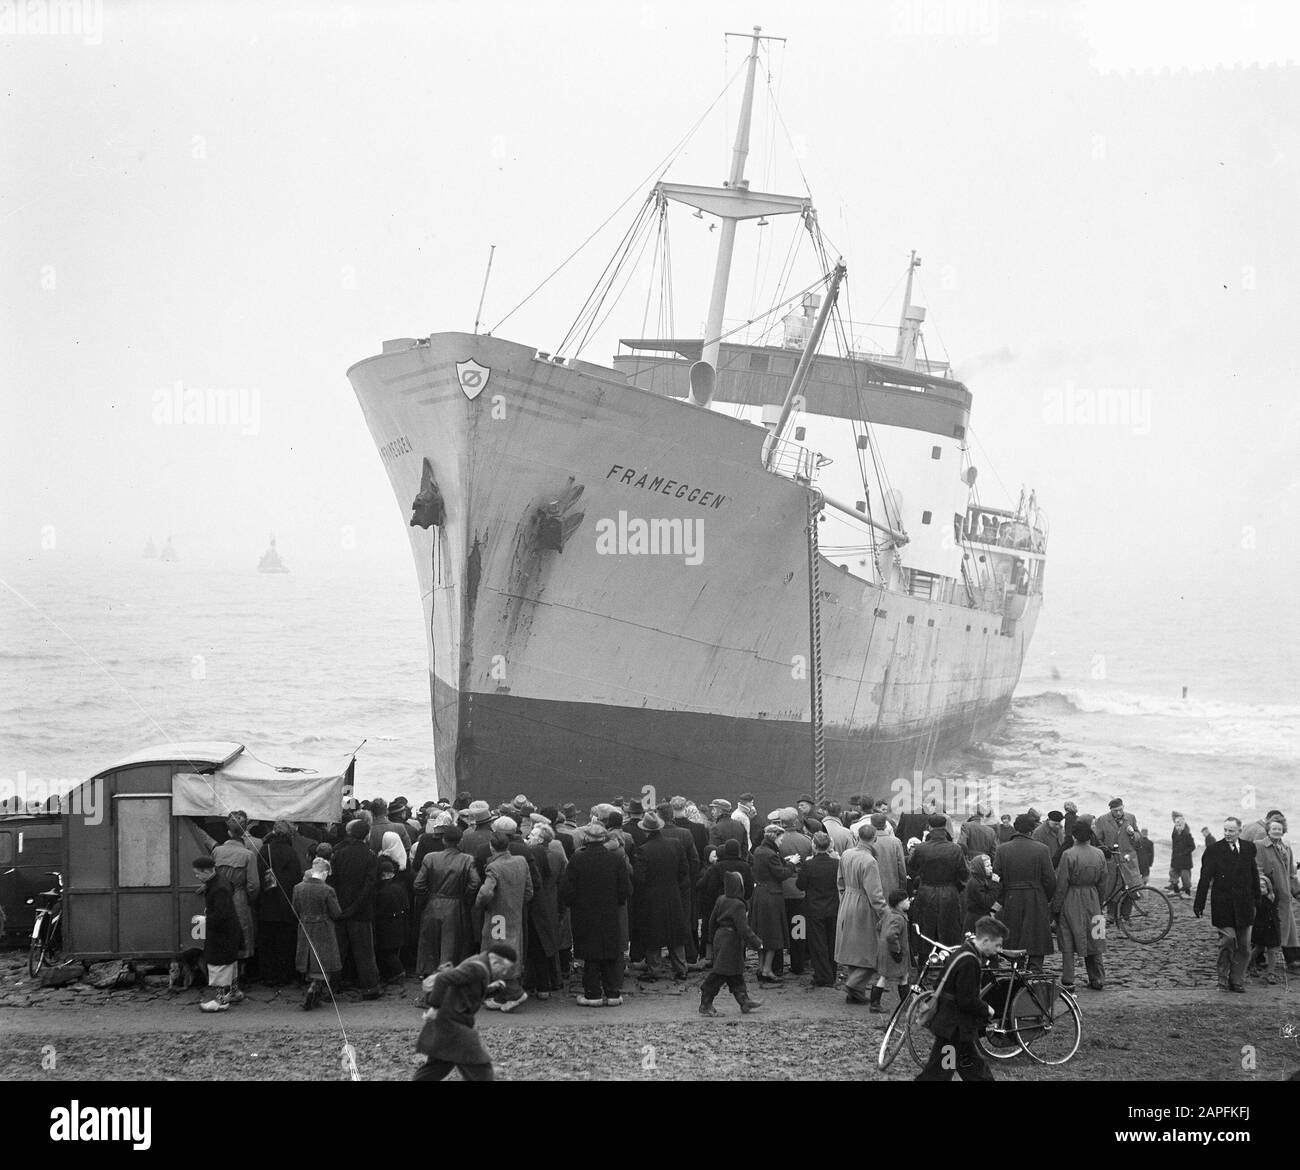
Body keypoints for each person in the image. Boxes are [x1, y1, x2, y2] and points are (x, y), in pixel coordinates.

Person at [914, 916, 1009, 1081]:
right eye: (997, 945)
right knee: (940, 1073)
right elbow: (967, 1001)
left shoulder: (963, 952)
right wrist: (986, 1009)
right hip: (955, 1029)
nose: (999, 950)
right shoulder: (969, 962)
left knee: (964, 1069)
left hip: (954, 1027)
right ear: (986, 940)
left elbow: (940, 984)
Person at [413, 943, 517, 1081]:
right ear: (495, 961)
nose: (504, 974)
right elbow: (443, 978)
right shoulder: (477, 968)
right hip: (454, 1025)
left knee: (437, 1067)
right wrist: (434, 1007)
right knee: (480, 1069)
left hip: (448, 1024)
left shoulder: (478, 962)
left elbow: (467, 991)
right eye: (504, 969)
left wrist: (491, 989)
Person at [560, 821, 630, 1006]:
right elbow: (625, 888)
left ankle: (593, 994)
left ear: (586, 839)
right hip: (609, 911)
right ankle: (613, 993)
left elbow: (567, 889)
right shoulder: (615, 859)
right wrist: (617, 902)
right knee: (610, 951)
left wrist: (571, 904)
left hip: (584, 912)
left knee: (590, 953)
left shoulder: (577, 859)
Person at [1193, 817, 1259, 992]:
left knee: (1245, 946)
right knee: (1228, 940)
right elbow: (1205, 878)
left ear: (1240, 830)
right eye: (1225, 830)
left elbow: (1253, 875)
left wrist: (1257, 897)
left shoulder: (1248, 848)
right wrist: (1199, 903)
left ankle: (1236, 980)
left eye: (1231, 830)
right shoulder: (1214, 850)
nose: (1228, 834)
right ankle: (1222, 979)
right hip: (1223, 904)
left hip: (1245, 904)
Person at [475, 831, 534, 1011]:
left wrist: (480, 905)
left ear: (492, 848)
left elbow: (485, 893)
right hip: (515, 915)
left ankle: (515, 992)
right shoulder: (521, 861)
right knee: (511, 951)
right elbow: (529, 891)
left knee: (498, 953)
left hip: (497, 918)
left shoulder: (494, 867)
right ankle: (503, 996)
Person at [993, 813, 1056, 971]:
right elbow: (1050, 880)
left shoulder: (1002, 850)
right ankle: (1034, 974)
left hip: (1011, 898)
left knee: (1014, 938)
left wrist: (1002, 899)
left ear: (1015, 827)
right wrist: (1043, 897)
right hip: (1035, 897)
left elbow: (997, 879)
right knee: (1037, 938)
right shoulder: (1042, 849)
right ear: (1032, 829)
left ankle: (1017, 970)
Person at [632, 811, 691, 981]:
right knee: (675, 934)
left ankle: (654, 970)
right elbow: (684, 871)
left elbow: (639, 879)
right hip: (673, 895)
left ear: (646, 831)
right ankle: (681, 968)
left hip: (652, 898)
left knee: (653, 934)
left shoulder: (643, 850)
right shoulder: (676, 844)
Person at [414, 825, 480, 975]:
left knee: (430, 944)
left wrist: (426, 898)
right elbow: (475, 882)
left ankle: (429, 974)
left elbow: (418, 884)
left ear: (443, 840)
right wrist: (466, 898)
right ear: (460, 841)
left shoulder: (430, 858)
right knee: (453, 944)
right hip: (457, 905)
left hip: (433, 903)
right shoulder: (467, 859)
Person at [835, 822, 888, 1004]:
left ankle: (855, 993)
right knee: (871, 951)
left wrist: (844, 899)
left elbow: (840, 882)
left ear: (858, 837)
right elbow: (875, 894)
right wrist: (886, 914)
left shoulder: (846, 854)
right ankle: (853, 984)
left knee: (852, 949)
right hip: (863, 905)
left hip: (847, 901)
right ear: (874, 839)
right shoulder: (870, 861)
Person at [699, 871, 765, 1016]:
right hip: (731, 941)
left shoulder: (721, 899)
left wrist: (712, 940)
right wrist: (757, 942)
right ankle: (706, 1002)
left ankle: (744, 1001)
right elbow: (743, 928)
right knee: (721, 973)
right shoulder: (738, 905)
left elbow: (711, 921)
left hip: (721, 938)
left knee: (734, 973)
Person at [1051, 822, 1107, 991]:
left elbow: (1061, 884)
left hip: (1071, 898)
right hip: (1093, 898)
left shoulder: (1068, 854)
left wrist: (1056, 908)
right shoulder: (1100, 854)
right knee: (1095, 938)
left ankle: (1068, 980)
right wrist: (1100, 902)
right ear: (1090, 836)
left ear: (1074, 836)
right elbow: (1104, 882)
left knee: (1067, 938)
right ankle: (1097, 978)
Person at [907, 814, 968, 966]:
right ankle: (948, 965)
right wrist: (955, 887)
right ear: (946, 828)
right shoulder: (955, 849)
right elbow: (964, 874)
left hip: (926, 892)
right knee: (949, 930)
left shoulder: (921, 848)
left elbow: (912, 866)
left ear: (929, 827)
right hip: (949, 893)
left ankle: (924, 965)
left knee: (925, 930)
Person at [331, 819, 382, 999]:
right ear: (367, 835)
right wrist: (354, 907)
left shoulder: (338, 853)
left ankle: (331, 986)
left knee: (338, 950)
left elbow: (333, 881)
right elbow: (369, 886)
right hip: (360, 911)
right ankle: (370, 987)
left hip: (340, 909)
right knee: (364, 952)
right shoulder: (370, 856)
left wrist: (340, 907)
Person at [256, 821, 302, 987]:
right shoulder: (291, 852)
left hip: (267, 902)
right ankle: (284, 975)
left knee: (267, 942)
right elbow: (297, 877)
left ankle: (268, 976)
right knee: (285, 942)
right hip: (286, 904)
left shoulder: (264, 850)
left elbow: (258, 877)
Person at [194, 857, 242, 1012]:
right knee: (230, 963)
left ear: (207, 871)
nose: (196, 876)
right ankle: (234, 992)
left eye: (198, 873)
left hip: (221, 933)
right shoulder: (221, 881)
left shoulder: (218, 888)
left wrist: (206, 918)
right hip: (230, 931)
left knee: (219, 966)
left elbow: (221, 915)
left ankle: (220, 1001)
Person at [293, 857, 342, 1011]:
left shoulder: (298, 888)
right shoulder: (327, 890)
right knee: (323, 961)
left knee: (309, 960)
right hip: (323, 927)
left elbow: (295, 908)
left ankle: (313, 989)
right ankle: (315, 988)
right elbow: (336, 912)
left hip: (305, 925)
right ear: (325, 872)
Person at [751, 823, 796, 983]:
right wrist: (792, 864)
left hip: (759, 894)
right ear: (774, 837)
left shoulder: (759, 850)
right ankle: (767, 970)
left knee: (762, 934)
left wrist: (783, 861)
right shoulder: (771, 854)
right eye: (781, 838)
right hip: (772, 896)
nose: (782, 841)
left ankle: (761, 967)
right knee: (772, 934)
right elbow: (781, 874)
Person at [1254, 818, 1299, 976]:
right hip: (1268, 898)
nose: (1277, 831)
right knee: (1266, 935)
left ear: (1284, 830)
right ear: (1268, 829)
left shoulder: (1287, 847)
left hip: (1284, 898)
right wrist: (1265, 887)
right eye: (1274, 828)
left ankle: (1271, 970)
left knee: (1278, 934)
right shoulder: (1260, 845)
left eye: (1280, 829)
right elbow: (1257, 869)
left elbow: (1292, 874)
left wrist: (1297, 893)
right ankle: (1251, 964)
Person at [796, 831, 840, 988]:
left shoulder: (809, 865)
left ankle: (822, 975)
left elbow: (800, 885)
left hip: (814, 908)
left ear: (814, 845)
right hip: (833, 907)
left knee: (818, 943)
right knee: (832, 941)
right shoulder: (836, 864)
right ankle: (832, 974)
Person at [776, 809, 814, 977]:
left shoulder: (778, 840)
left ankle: (777, 966)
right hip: (800, 891)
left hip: (780, 889)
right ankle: (798, 964)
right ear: (796, 822)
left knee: (778, 929)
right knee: (798, 930)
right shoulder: (806, 840)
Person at [1094, 798, 1143, 920]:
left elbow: (1139, 838)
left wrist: (1133, 834)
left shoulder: (1131, 817)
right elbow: (1098, 840)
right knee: (1112, 887)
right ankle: (1111, 914)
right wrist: (1105, 849)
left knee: (1131, 886)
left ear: (1123, 807)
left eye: (1121, 810)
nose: (1119, 813)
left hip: (1128, 859)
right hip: (1112, 859)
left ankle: (1126, 914)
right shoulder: (1102, 820)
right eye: (1116, 811)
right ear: (1110, 810)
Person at [874, 889, 912, 1011]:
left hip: (885, 952)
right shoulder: (899, 919)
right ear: (900, 903)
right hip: (894, 953)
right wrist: (896, 950)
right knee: (901, 976)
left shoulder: (888, 915)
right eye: (907, 900)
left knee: (887, 976)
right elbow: (891, 935)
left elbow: (879, 927)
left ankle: (875, 1003)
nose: (909, 902)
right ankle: (906, 1005)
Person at [374, 856, 410, 984]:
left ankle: (398, 972)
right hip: (400, 921)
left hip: (386, 923)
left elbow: (379, 910)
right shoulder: (400, 886)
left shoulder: (382, 890)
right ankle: (396, 973)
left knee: (387, 951)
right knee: (394, 950)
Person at [868, 812, 908, 899]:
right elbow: (901, 867)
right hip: (892, 888)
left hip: (871, 888)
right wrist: (903, 887)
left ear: (871, 825)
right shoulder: (895, 842)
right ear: (885, 825)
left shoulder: (867, 842)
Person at [960, 853, 998, 935]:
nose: (991, 868)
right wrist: (995, 885)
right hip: (976, 921)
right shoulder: (975, 883)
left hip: (977, 919)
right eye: (987, 866)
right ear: (980, 867)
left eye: (990, 865)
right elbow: (987, 902)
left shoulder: (979, 880)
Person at [1169, 812, 1196, 896]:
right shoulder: (1175, 833)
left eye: (1180, 826)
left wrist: (1184, 853)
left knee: (1185, 877)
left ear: (1183, 826)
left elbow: (1192, 846)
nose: (1178, 827)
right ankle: (1175, 890)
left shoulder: (1187, 835)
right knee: (1173, 873)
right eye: (1176, 826)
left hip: (1185, 860)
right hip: (1176, 858)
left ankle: (1187, 893)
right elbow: (1174, 843)